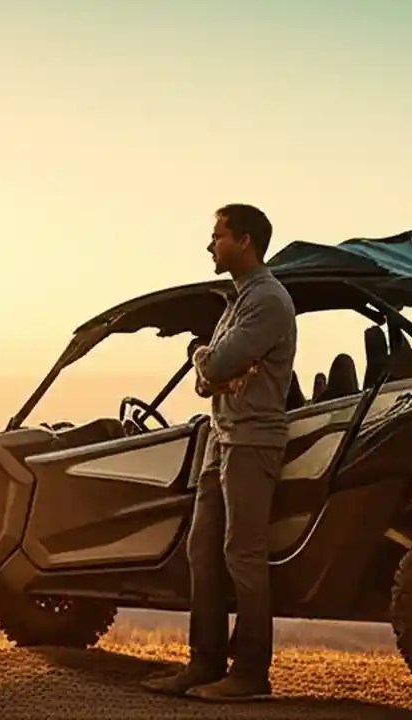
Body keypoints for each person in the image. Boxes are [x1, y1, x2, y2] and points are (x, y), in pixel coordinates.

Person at [141, 203, 297, 702]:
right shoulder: (238, 301)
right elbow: (208, 379)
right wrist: (209, 365)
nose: (210, 245)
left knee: (243, 554)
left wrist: (205, 359)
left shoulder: (268, 300)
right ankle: (203, 663)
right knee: (201, 549)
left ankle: (251, 673)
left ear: (245, 240)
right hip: (221, 436)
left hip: (252, 439)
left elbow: (216, 361)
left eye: (218, 236)